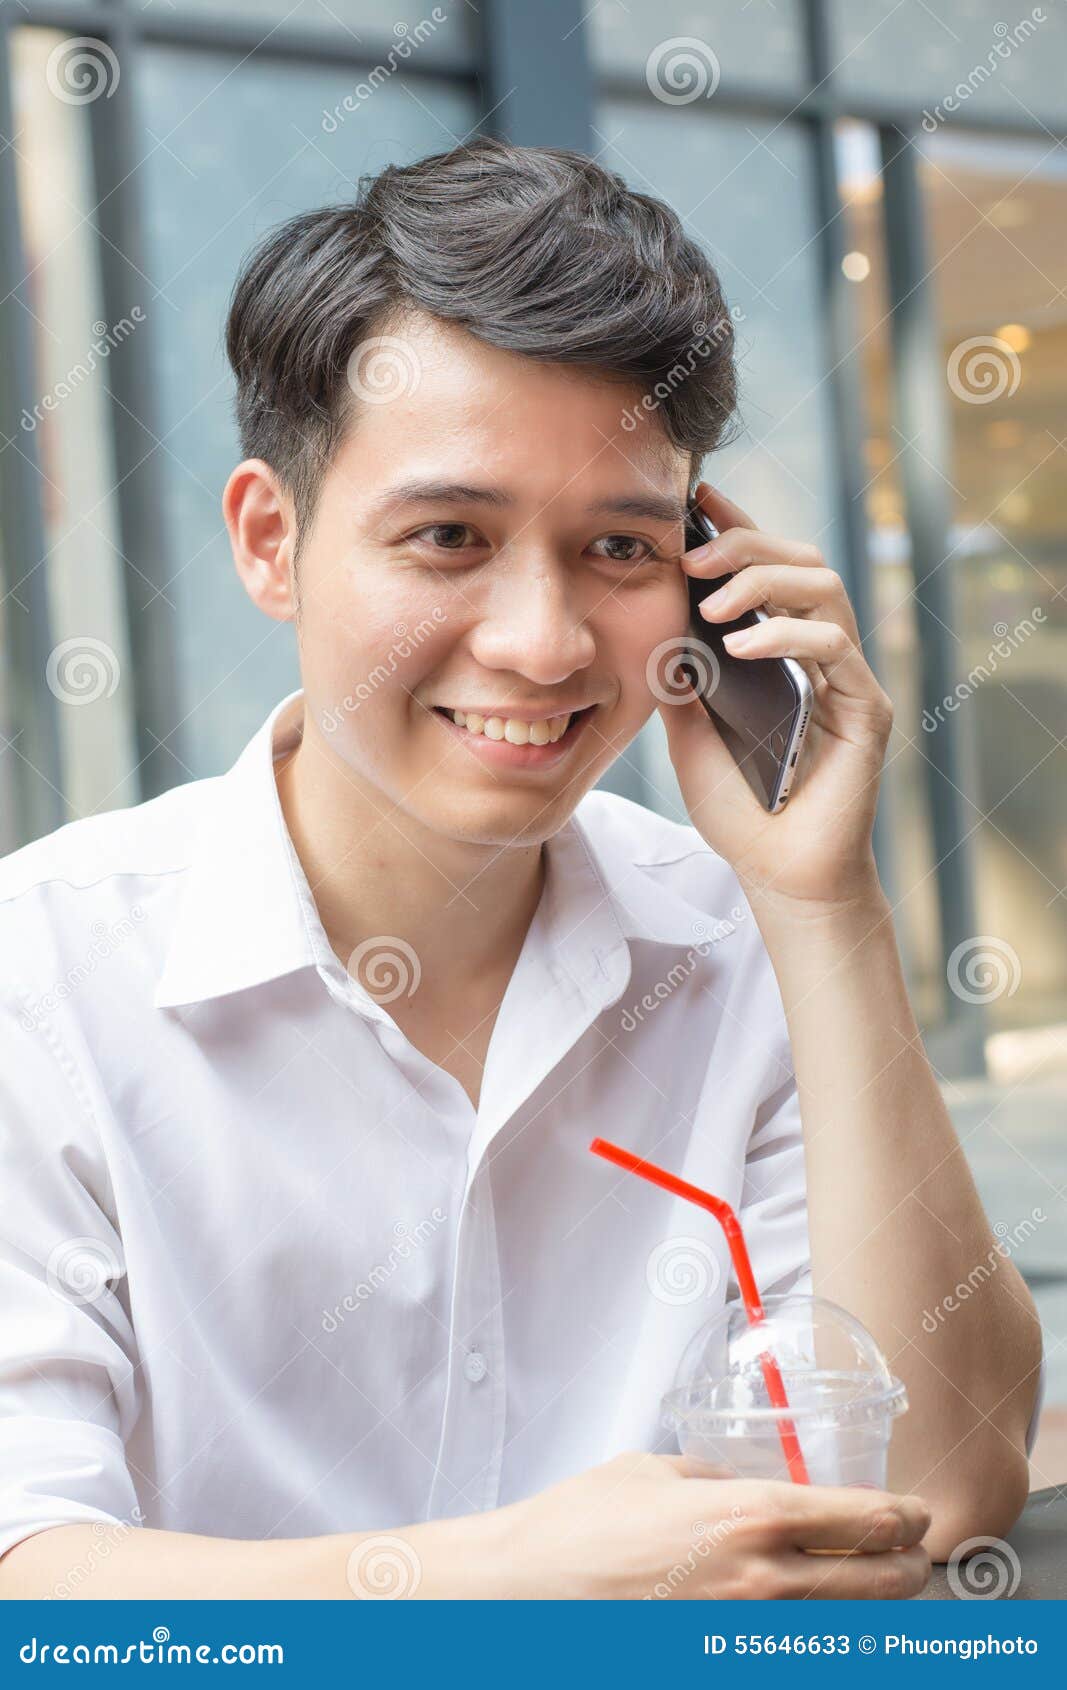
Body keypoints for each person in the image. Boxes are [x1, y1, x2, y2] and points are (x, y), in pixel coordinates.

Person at [0, 138, 1041, 1601]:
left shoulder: (740, 941)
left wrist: (825, 906)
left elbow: (936, 1486)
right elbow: (32, 1578)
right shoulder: (44, 978)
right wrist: (507, 1576)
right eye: (448, 536)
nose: (542, 642)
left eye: (619, 548)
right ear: (271, 540)